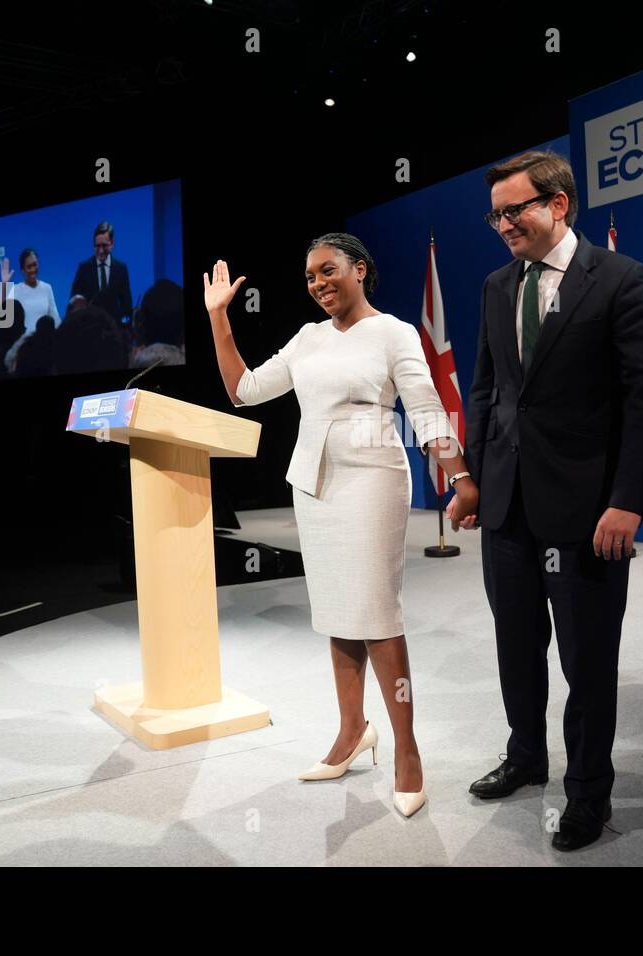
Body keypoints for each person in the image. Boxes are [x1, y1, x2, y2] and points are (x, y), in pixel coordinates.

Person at [204, 234, 477, 818]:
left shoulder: (394, 332)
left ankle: (407, 749)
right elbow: (243, 391)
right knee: (337, 614)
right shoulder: (307, 338)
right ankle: (353, 731)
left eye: (328, 270)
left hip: (373, 477)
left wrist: (458, 476)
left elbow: (427, 408)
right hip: (314, 483)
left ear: (360, 269)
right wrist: (219, 317)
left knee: (378, 616)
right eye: (308, 277)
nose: (318, 283)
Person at [456, 150, 643, 851]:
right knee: (517, 646)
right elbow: (487, 389)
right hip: (508, 507)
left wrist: (628, 499)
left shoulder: (619, 279)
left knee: (586, 659)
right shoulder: (496, 287)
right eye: (496, 213)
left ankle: (587, 794)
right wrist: (476, 481)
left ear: (559, 205)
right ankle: (526, 757)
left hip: (589, 511)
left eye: (515, 208)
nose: (504, 223)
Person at [69, 221, 131, 322]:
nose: (101, 251)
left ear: (112, 243)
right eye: (97, 246)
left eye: (104, 245)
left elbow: (127, 305)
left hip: (114, 331)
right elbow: (74, 302)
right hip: (89, 329)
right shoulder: (83, 269)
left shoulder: (121, 269)